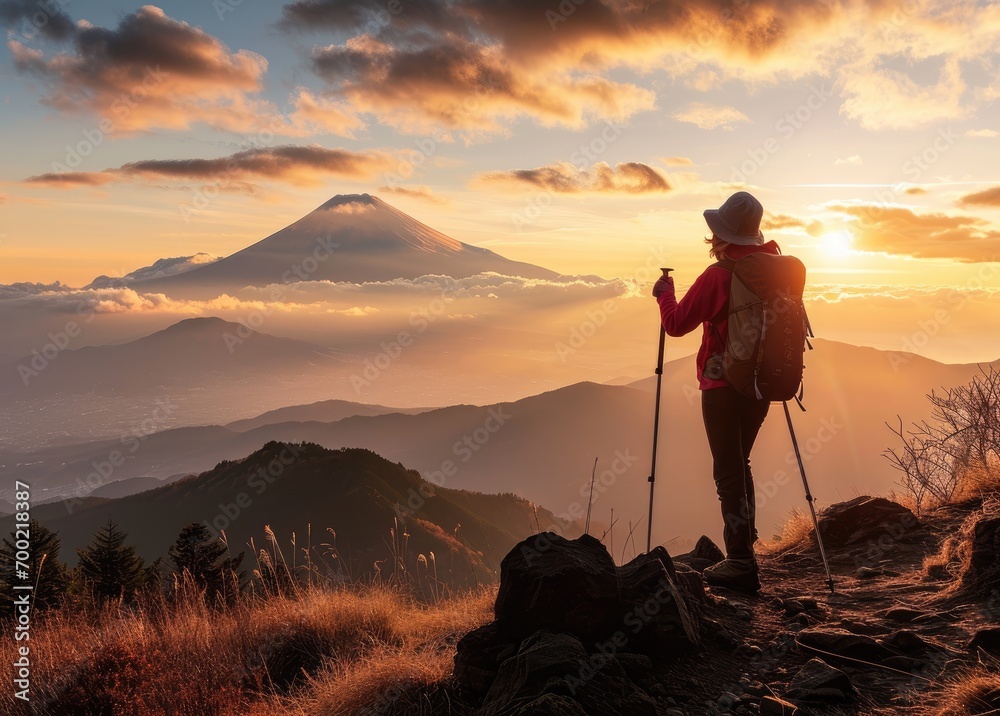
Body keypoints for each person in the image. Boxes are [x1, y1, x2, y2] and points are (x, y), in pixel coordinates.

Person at [652, 191, 780, 593]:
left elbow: (676, 324)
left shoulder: (719, 275)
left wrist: (664, 294)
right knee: (740, 462)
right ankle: (745, 545)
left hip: (723, 383)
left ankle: (740, 562)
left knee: (727, 472)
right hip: (763, 382)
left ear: (721, 235)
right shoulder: (778, 269)